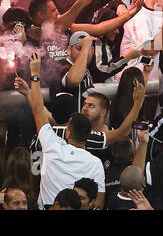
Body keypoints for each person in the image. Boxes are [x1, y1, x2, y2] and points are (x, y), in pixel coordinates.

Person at [25, 51, 105, 208]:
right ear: (88, 135)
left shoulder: (51, 145)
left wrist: (35, 75)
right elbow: (99, 204)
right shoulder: (96, 164)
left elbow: (38, 110)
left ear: (68, 131)